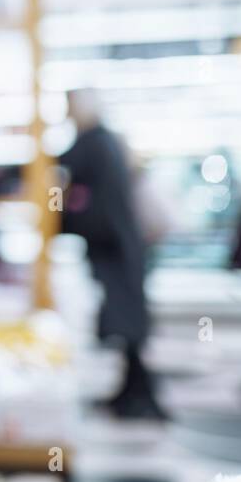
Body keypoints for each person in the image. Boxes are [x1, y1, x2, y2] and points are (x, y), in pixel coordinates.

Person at [59, 88, 167, 421]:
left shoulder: (92, 142)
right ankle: (131, 395)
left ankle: (140, 398)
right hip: (123, 248)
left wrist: (64, 219)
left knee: (128, 327)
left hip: (116, 250)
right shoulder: (105, 142)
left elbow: (59, 170)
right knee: (128, 328)